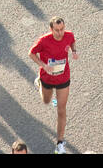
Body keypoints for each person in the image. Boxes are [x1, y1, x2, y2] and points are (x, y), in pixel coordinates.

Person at [29, 16, 77, 153]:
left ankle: (60, 143)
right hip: (47, 78)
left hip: (63, 78)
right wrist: (43, 65)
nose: (60, 33)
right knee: (46, 100)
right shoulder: (44, 41)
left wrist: (74, 51)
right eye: (57, 30)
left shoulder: (69, 36)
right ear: (51, 29)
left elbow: (72, 42)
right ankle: (39, 83)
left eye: (62, 29)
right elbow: (31, 53)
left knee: (61, 110)